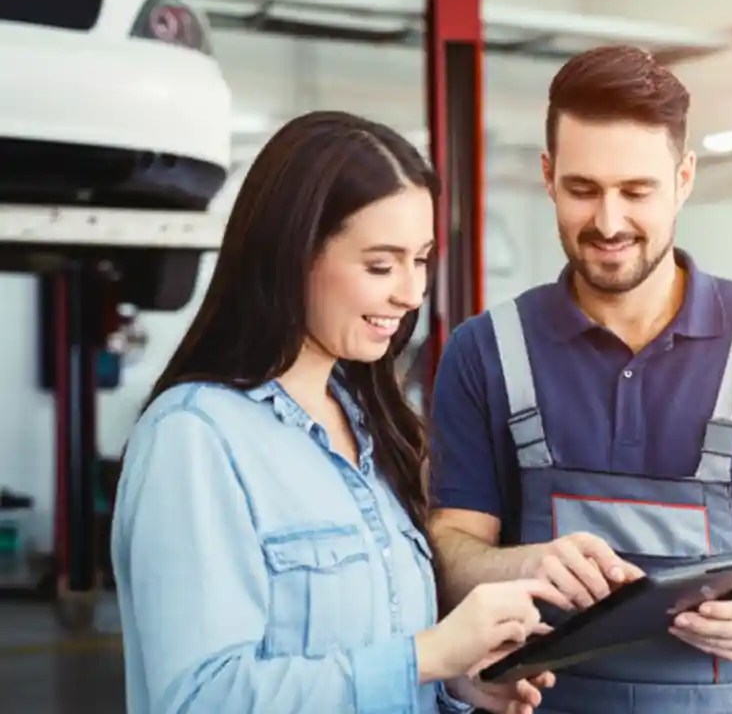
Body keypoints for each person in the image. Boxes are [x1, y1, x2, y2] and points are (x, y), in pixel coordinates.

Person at [427, 46, 732, 714]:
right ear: (547, 176)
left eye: (637, 191)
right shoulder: (486, 352)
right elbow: (452, 546)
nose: (608, 222)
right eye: (583, 189)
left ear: (684, 178)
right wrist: (522, 565)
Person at [110, 111, 571, 714]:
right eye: (380, 265)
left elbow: (364, 655)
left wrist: (453, 679)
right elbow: (201, 698)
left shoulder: (369, 427)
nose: (410, 293)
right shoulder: (195, 439)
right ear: (293, 255)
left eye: (422, 259)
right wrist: (427, 655)